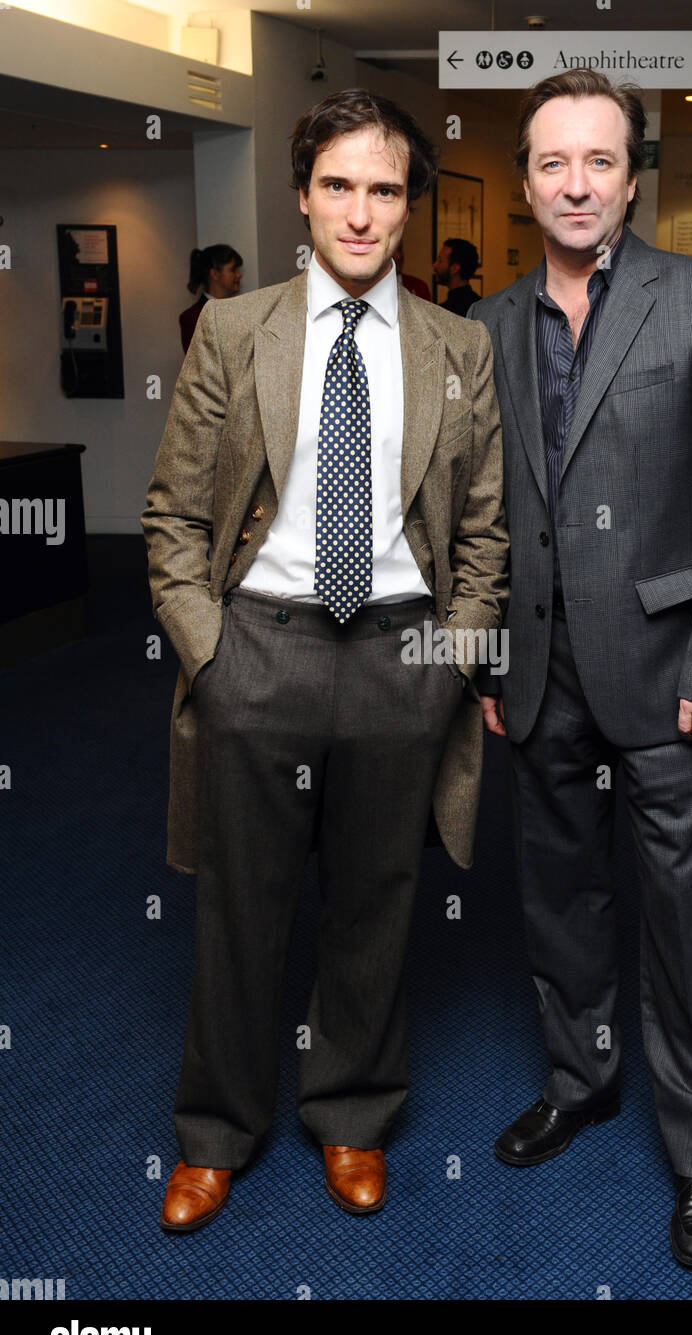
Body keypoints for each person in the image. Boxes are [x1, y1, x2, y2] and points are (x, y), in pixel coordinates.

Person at [143, 87, 508, 1232]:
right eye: (337, 186)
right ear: (301, 197)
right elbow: (172, 522)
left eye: (384, 189)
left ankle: (351, 1112)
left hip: (401, 656)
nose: (359, 213)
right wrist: (215, 657)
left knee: (374, 901)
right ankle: (214, 1133)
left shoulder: (459, 346)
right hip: (263, 649)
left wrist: (447, 663)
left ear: (411, 205)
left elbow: (485, 535)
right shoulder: (234, 329)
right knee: (242, 907)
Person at [468, 69, 692, 1271]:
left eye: (598, 160)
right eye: (553, 162)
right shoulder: (491, 324)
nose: (576, 183)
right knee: (556, 903)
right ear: (524, 181)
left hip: (666, 675)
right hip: (537, 673)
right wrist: (492, 658)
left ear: (632, 175)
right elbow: (485, 514)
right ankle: (579, 1078)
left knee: (685, 924)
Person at [179, 244, 243, 353]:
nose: (239, 275)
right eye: (233, 270)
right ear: (215, 274)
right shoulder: (192, 317)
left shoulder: (241, 309)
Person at [433, 238, 481, 316]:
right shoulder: (480, 305)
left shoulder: (445, 312)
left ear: (455, 268)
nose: (435, 265)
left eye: (440, 261)